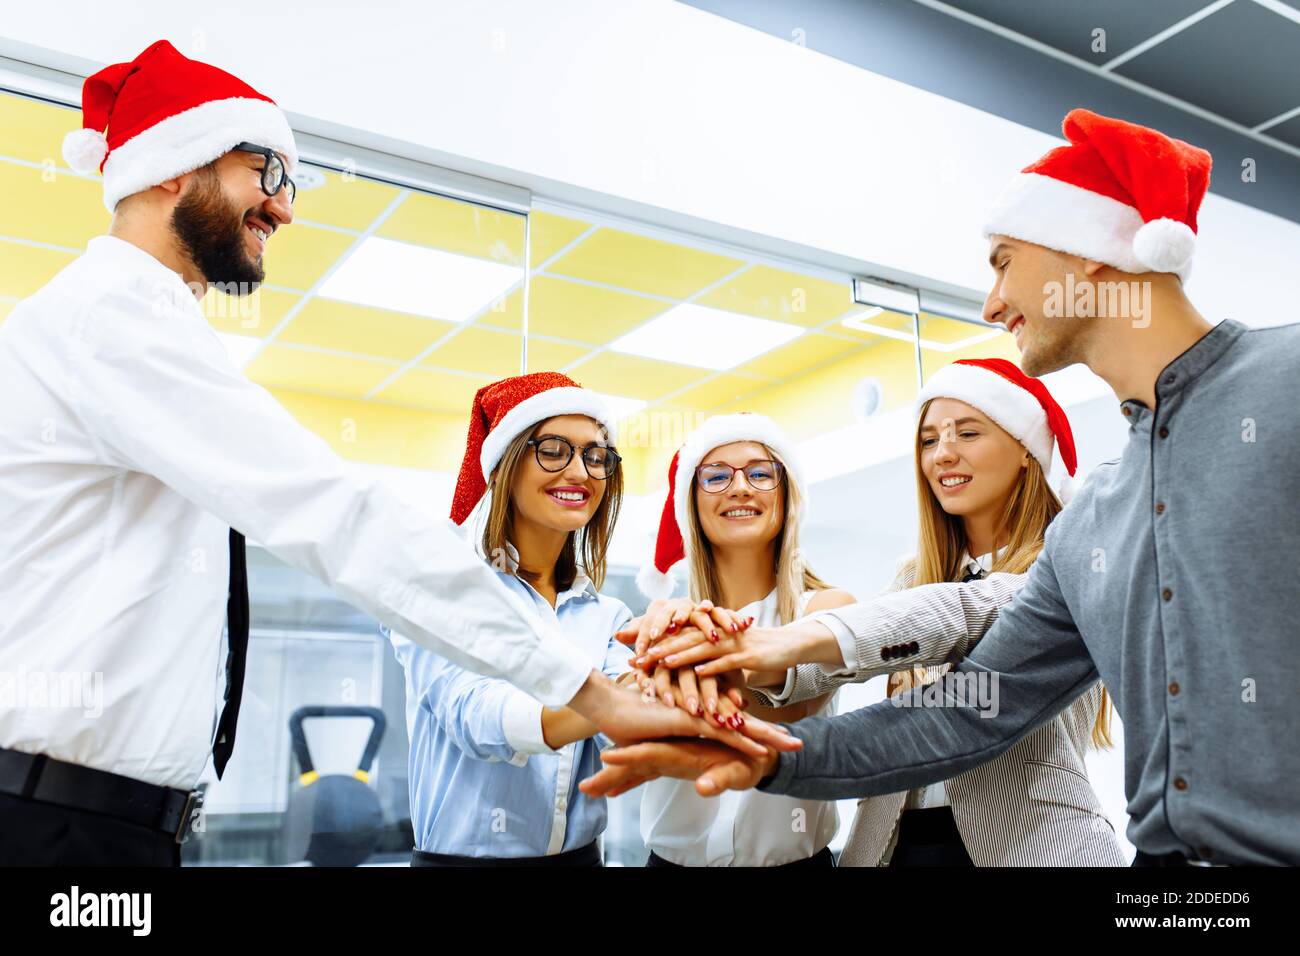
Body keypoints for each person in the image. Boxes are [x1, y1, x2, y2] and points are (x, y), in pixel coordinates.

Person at [0, 41, 791, 866]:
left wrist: (655, 659)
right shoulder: (112, 324)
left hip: (101, 823)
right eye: (266, 171)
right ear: (172, 164)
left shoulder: (136, 328)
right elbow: (338, 518)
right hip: (58, 826)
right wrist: (593, 695)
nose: (285, 208)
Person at [580, 108, 1300, 867]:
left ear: (1088, 255)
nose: (992, 303)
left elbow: (971, 616)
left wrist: (783, 645)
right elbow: (962, 715)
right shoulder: (1097, 515)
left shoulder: (1285, 385)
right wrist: (771, 756)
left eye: (1003, 261)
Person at [641, 362, 1123, 866]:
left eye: (967, 433)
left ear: (1027, 448)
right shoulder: (913, 577)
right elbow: (823, 669)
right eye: (929, 440)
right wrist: (732, 660)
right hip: (897, 847)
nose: (944, 454)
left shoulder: (1063, 567)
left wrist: (767, 645)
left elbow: (952, 615)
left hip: (1033, 846)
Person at [392, 373, 646, 866]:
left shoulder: (608, 615)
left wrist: (672, 674)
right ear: (506, 462)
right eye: (553, 449)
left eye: (596, 456)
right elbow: (478, 717)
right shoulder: (441, 592)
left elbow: (626, 730)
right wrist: (622, 703)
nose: (579, 472)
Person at [625, 413, 855, 866]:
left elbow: (788, 712)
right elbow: (627, 733)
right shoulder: (657, 626)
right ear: (691, 504)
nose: (739, 487)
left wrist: (684, 660)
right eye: (715, 476)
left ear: (787, 495)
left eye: (759, 473)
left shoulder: (826, 610)